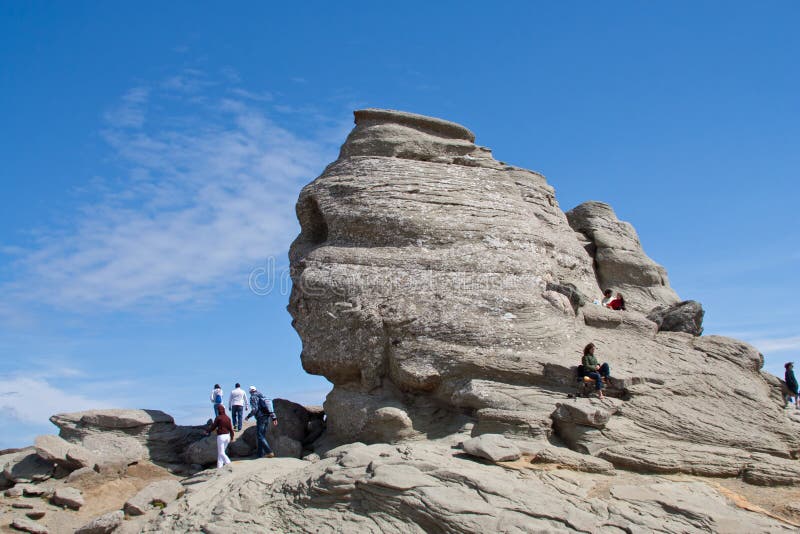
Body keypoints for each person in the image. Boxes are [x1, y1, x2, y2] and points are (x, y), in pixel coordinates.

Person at [245, 386, 278, 458]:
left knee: (260, 436)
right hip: (267, 417)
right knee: (261, 436)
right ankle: (260, 454)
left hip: (260, 417)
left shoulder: (253, 397)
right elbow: (270, 408)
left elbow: (255, 409)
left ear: (250, 391)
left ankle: (269, 451)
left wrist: (248, 416)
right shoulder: (263, 396)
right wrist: (274, 418)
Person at [205, 404, 234, 469]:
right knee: (221, 453)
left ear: (218, 411)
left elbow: (213, 426)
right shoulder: (228, 418)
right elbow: (230, 428)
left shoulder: (218, 418)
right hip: (227, 436)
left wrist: (207, 431)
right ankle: (219, 467)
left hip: (221, 437)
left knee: (221, 452)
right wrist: (232, 437)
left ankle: (228, 463)